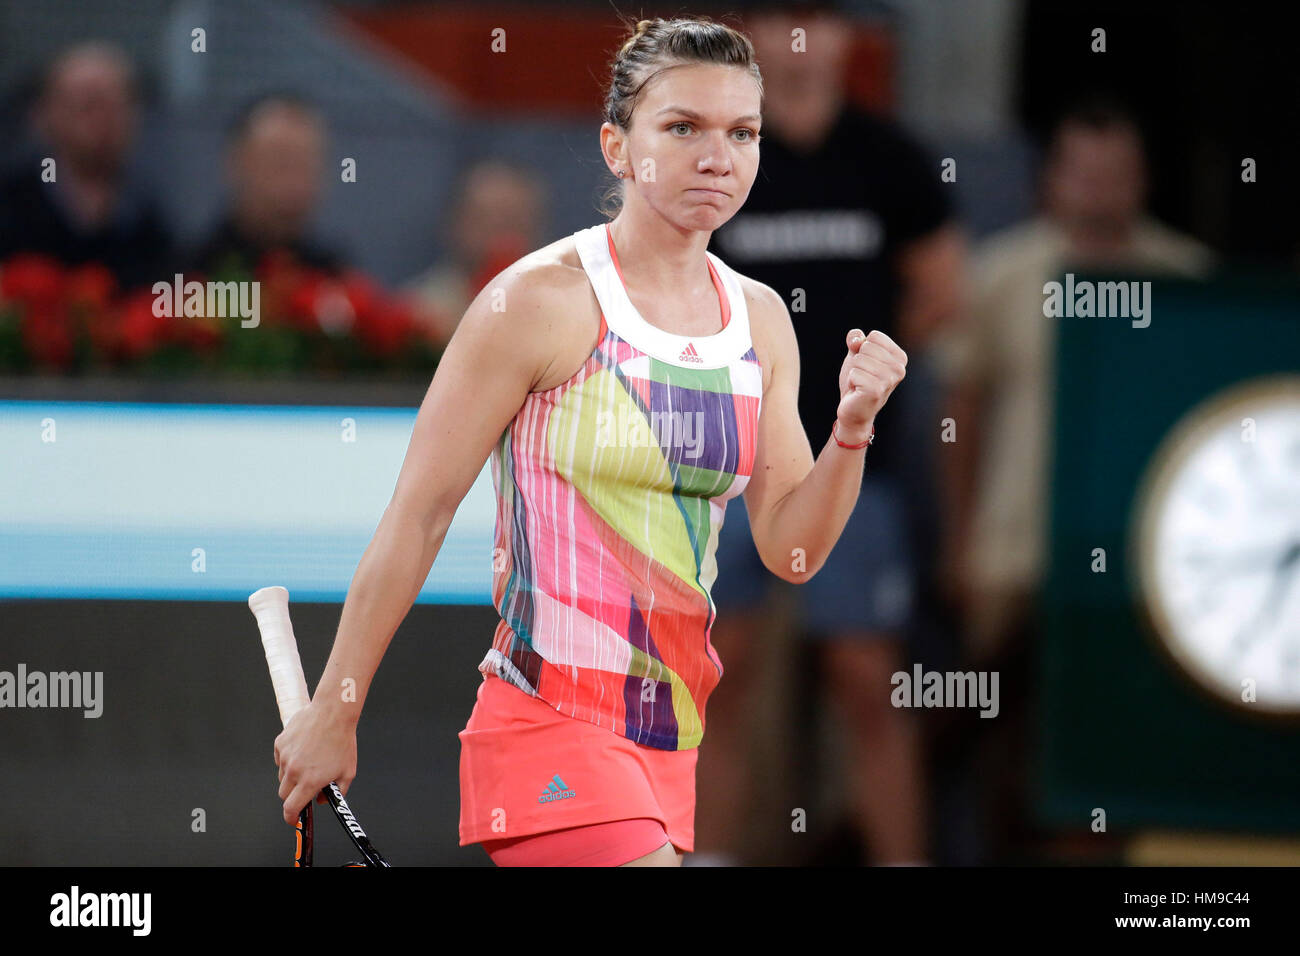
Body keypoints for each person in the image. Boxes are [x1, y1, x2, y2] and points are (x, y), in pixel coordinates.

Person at [271, 15, 907, 867]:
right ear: (618, 147)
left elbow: (793, 552)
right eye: (682, 128)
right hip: (546, 723)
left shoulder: (760, 322)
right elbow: (419, 515)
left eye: (741, 133)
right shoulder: (535, 302)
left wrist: (851, 432)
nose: (717, 157)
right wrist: (335, 709)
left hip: (668, 743)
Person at [699, 1, 964, 865]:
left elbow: (939, 288)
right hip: (731, 461)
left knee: (866, 680)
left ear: (847, 36)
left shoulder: (887, 157)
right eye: (779, 19)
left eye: (816, 19)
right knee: (717, 674)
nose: (797, 41)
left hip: (856, 464)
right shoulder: (727, 155)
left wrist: (866, 380)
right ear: (752, 34)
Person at [929, 96, 1215, 860]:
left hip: (1145, 570)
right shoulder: (1001, 274)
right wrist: (959, 541)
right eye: (1083, 173)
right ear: (1051, 180)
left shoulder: (1189, 280)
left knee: (1120, 742)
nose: (1098, 191)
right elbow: (961, 417)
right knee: (1007, 747)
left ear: (1142, 180)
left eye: (1115, 174)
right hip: (1013, 555)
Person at [0, 41, 174, 291]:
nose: (101, 120)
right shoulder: (11, 209)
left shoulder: (149, 221)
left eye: (116, 105)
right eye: (86, 105)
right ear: (43, 114)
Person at [188, 93, 344, 277]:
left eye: (306, 166)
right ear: (236, 163)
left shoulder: (338, 279)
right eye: (280, 163)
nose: (294, 185)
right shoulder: (186, 278)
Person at [404, 158, 549, 347]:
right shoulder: (417, 313)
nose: (499, 233)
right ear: (454, 224)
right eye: (484, 219)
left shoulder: (570, 313)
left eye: (514, 221)